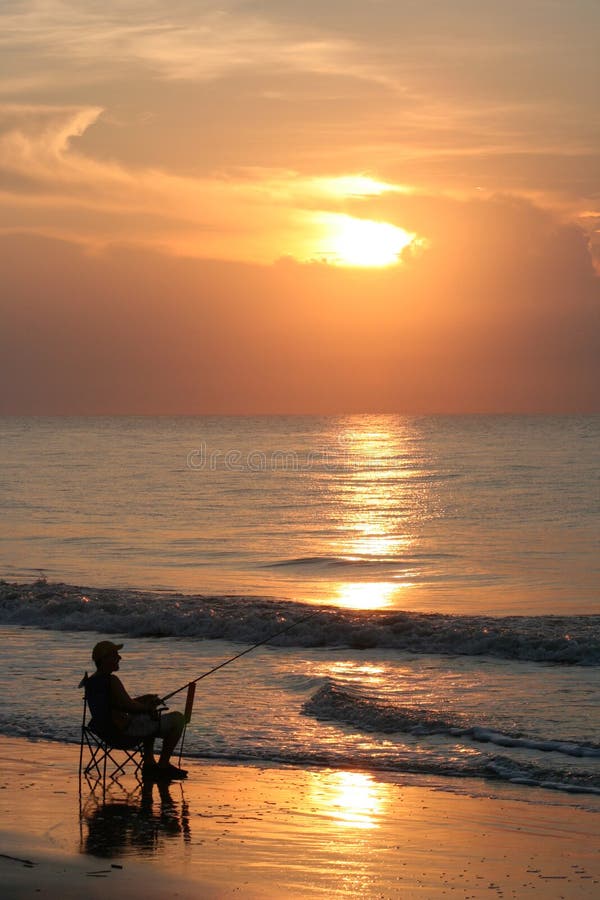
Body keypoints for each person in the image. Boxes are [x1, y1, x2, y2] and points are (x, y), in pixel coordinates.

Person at [85, 640, 188, 780]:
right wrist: (148, 707)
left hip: (106, 732)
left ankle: (149, 764)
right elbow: (130, 707)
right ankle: (162, 766)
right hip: (124, 734)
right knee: (178, 719)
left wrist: (145, 701)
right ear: (105, 659)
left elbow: (120, 704)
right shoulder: (111, 680)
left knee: (148, 717)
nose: (119, 658)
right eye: (115, 655)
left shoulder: (92, 681)